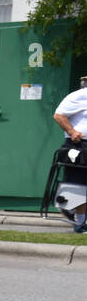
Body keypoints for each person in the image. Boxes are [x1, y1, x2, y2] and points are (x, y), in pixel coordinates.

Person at [52, 77, 87, 233]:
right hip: (79, 145)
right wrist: (72, 131)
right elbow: (59, 115)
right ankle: (79, 222)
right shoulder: (79, 96)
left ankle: (70, 208)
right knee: (78, 185)